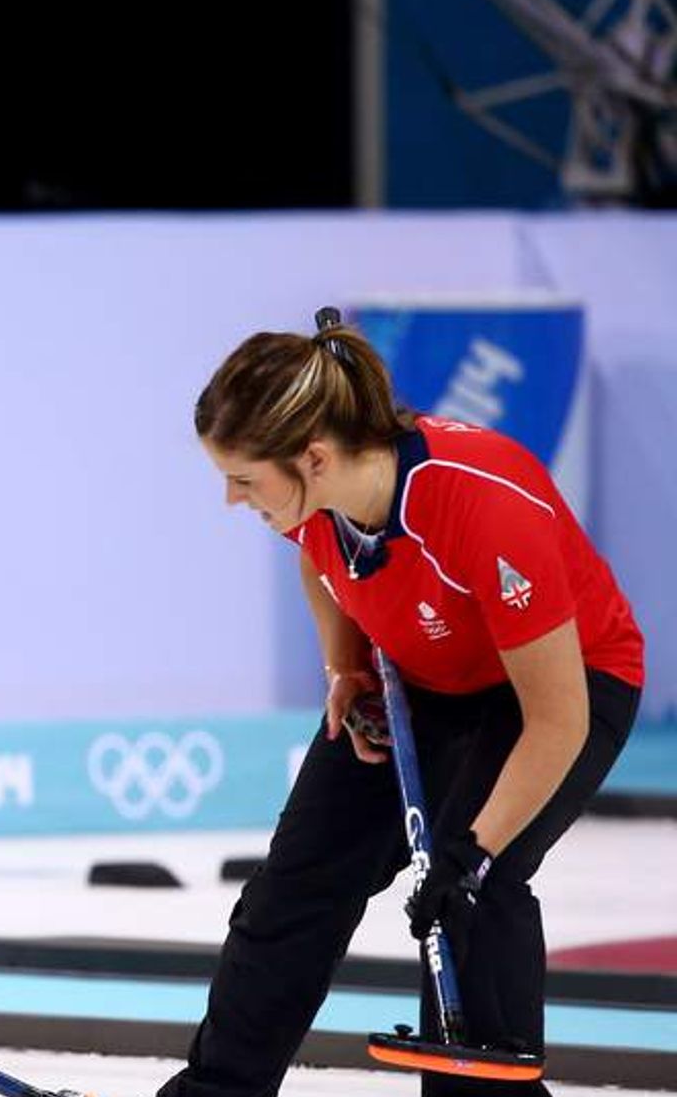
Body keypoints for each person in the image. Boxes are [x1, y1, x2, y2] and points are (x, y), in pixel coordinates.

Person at [162, 319, 642, 1096]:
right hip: (420, 680)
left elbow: (559, 720)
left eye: (244, 480)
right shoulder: (315, 500)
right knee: (293, 887)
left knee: (471, 895)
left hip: (565, 686)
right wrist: (344, 664)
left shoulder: (480, 502)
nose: (229, 499)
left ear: (313, 456)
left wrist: (473, 851)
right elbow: (322, 566)